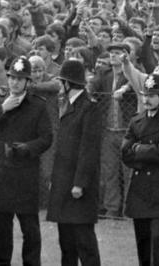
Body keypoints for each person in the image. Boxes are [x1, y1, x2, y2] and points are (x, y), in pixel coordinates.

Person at [0, 56, 52, 266]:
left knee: (30, 228)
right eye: (12, 78)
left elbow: (46, 138)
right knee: (2, 228)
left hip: (25, 174)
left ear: (28, 82)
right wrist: (3, 109)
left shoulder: (37, 106)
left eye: (20, 79)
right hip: (1, 172)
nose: (15, 83)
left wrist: (28, 147)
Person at [121, 74, 159, 266]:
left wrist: (139, 149)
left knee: (157, 237)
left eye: (152, 96)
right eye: (145, 95)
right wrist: (148, 152)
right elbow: (125, 152)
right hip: (139, 188)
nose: (147, 99)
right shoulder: (136, 121)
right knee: (142, 239)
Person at [46, 59, 103, 266]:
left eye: (61, 82)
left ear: (68, 83)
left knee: (84, 241)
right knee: (66, 241)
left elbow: (88, 149)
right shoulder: (69, 105)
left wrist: (80, 183)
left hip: (78, 185)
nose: (59, 86)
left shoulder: (89, 108)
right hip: (64, 181)